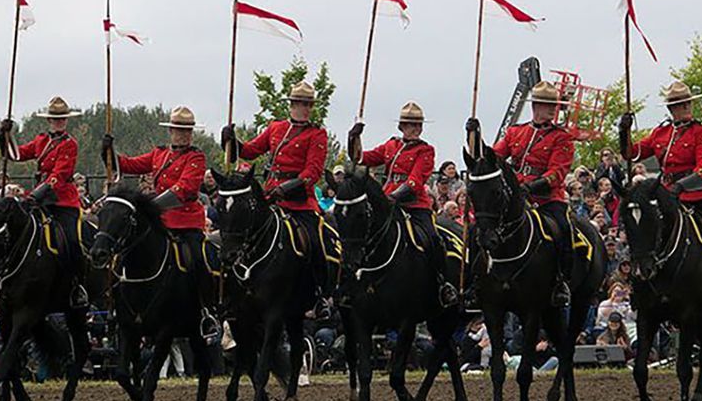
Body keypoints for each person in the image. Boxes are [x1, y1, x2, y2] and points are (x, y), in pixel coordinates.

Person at [619, 81, 702, 301]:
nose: (687, 107)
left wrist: (681, 186)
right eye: (681, 104)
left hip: (701, 193)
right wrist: (624, 131)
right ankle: (643, 274)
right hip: (667, 195)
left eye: (688, 103)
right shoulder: (661, 133)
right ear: (671, 109)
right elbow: (631, 153)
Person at [102, 106, 218, 340]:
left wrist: (150, 207)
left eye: (186, 131)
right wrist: (109, 152)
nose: (182, 135)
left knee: (200, 259)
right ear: (170, 131)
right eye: (178, 130)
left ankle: (206, 311)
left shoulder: (196, 157)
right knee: (122, 256)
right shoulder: (159, 154)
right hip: (160, 224)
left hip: (186, 222)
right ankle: (115, 306)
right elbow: (129, 165)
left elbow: (184, 189)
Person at [221, 81, 330, 312]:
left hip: (299, 201)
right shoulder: (276, 128)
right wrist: (232, 141)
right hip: (270, 197)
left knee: (316, 242)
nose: (305, 108)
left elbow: (313, 172)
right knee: (240, 235)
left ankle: (320, 294)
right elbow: (250, 151)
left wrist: (287, 188)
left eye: (308, 104)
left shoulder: (317, 134)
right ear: (292, 105)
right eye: (301, 103)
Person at [467, 81, 575, 306]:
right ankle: (474, 282)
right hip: (513, 199)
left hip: (546, 198)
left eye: (554, 105)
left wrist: (531, 187)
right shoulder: (516, 132)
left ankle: (561, 281)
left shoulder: (561, 137)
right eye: (548, 105)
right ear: (535, 106)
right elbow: (491, 158)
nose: (553, 110)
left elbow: (557, 172)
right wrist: (475, 136)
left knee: (563, 229)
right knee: (479, 229)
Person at [349, 102, 457, 306]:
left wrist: (393, 197)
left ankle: (443, 283)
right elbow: (362, 158)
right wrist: (354, 138)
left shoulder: (426, 150)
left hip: (414, 204)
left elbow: (415, 180)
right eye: (410, 124)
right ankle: (351, 279)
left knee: (433, 239)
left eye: (418, 125)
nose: (415, 128)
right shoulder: (391, 145)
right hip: (387, 201)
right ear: (402, 126)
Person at [0, 96, 88, 308]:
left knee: (73, 241)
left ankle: (77, 285)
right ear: (49, 120)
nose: (59, 122)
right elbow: (16, 155)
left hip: (63, 201)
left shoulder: (70, 144)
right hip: (40, 200)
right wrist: (5, 136)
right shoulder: (41, 140)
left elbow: (59, 174)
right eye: (55, 119)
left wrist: (36, 196)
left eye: (62, 119)